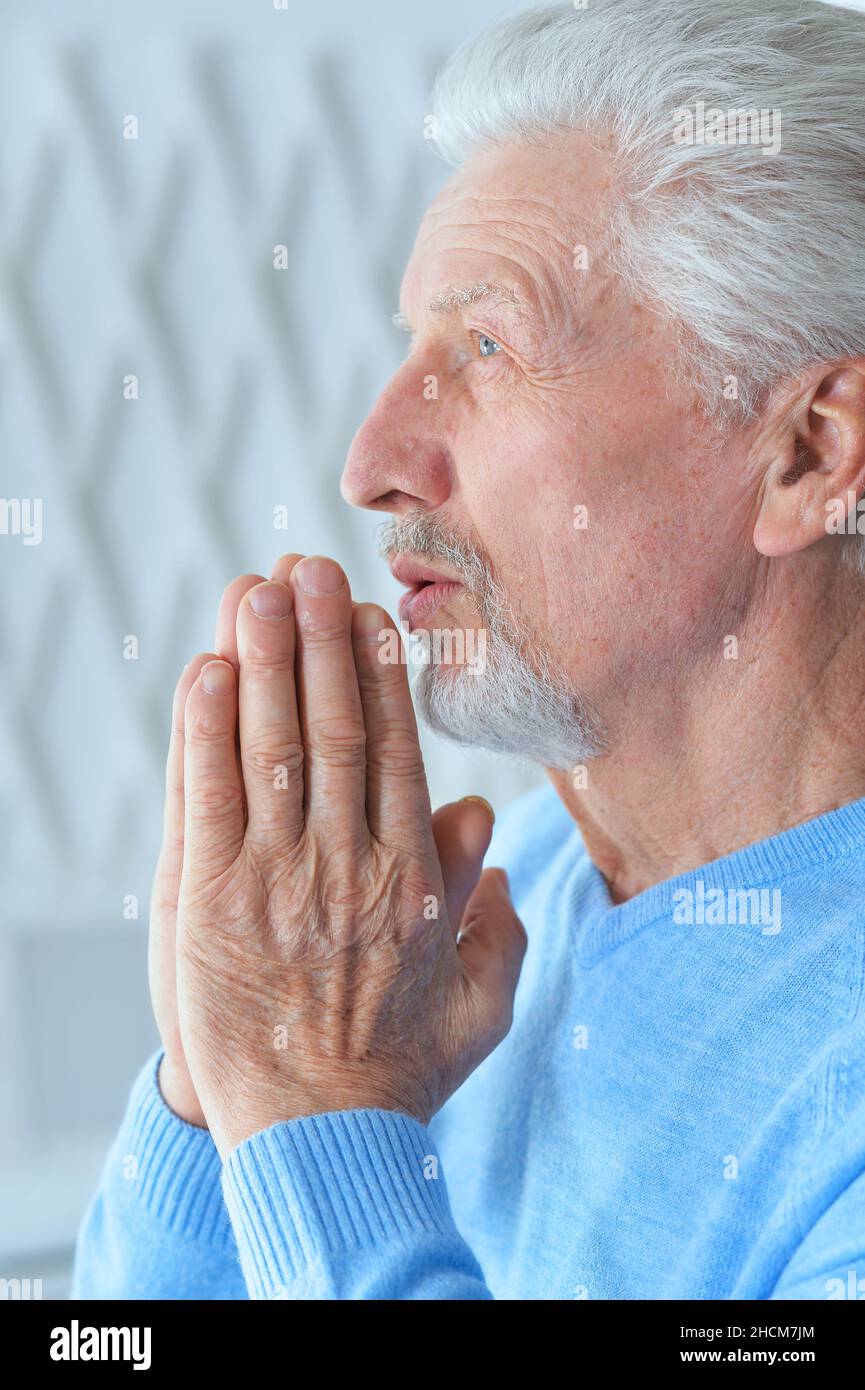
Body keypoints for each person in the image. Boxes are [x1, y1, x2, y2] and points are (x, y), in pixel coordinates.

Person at [73, 0, 865, 1299]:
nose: (371, 464)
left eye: (487, 348)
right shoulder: (478, 910)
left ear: (806, 452)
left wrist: (315, 1104)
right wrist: (219, 1093)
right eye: (413, 350)